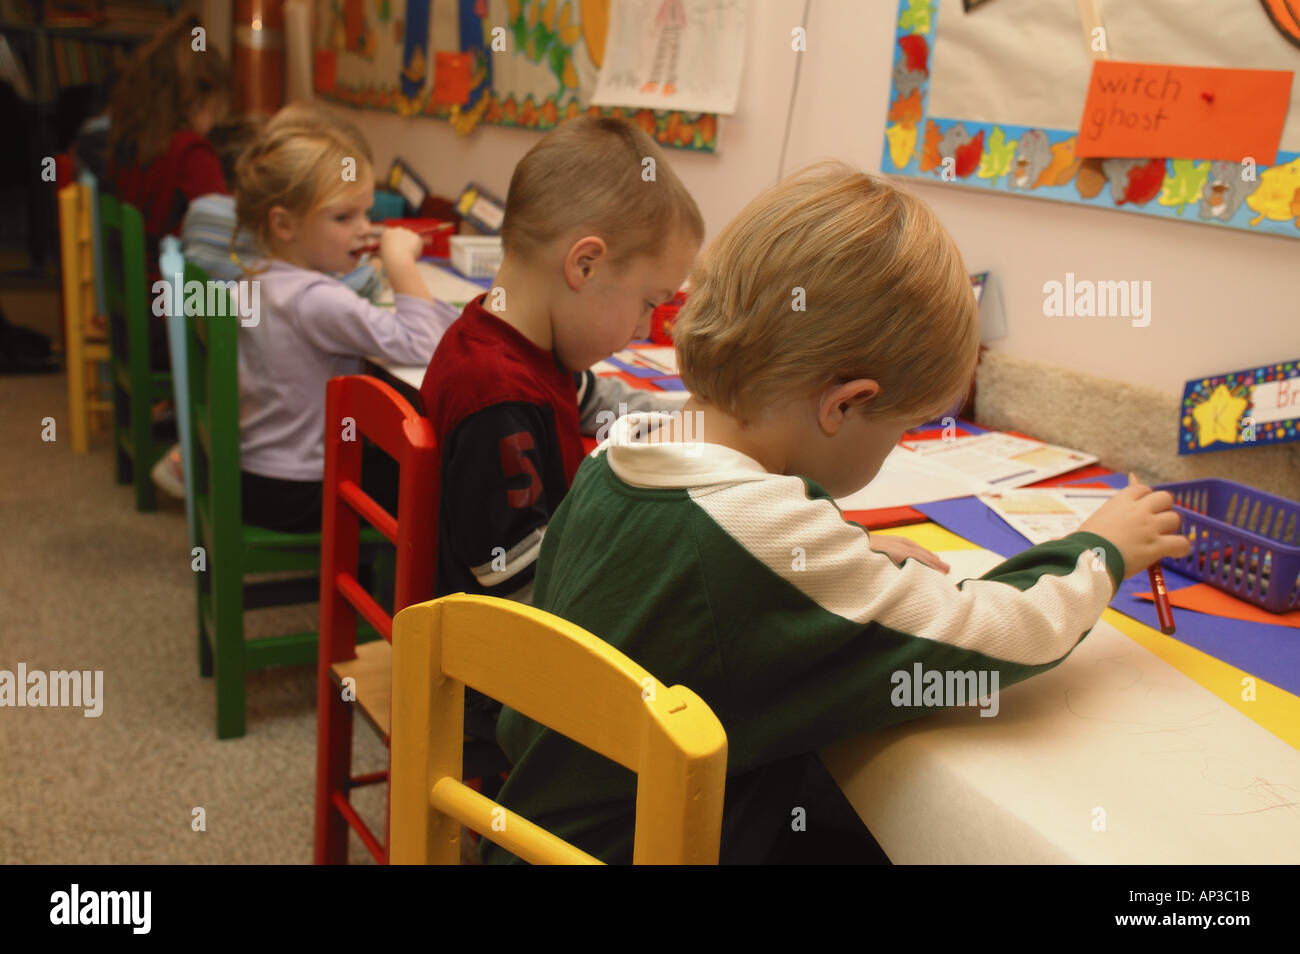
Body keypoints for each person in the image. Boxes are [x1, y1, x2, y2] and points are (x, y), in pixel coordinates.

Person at [481, 162, 1192, 864]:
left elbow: (707, 595)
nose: (897, 444)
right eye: (903, 426)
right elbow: (997, 638)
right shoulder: (760, 534)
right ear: (844, 404)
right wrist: (1100, 550)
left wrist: (847, 562)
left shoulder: (615, 461)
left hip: (530, 835)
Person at [418, 115, 703, 742]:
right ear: (586, 265)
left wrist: (704, 426)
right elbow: (517, 576)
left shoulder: (509, 343)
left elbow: (595, 402)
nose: (642, 329)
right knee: (701, 655)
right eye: (650, 303)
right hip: (494, 681)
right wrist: (638, 555)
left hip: (507, 636)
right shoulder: (495, 392)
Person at [232, 103, 450, 532]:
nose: (365, 229)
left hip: (256, 478)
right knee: (436, 474)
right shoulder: (318, 300)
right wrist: (402, 265)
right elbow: (425, 346)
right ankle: (419, 593)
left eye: (366, 213)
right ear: (284, 225)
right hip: (301, 488)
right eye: (344, 217)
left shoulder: (258, 280)